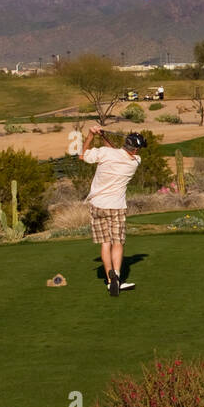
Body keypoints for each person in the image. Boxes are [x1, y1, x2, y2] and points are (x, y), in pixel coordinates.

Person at [80, 126, 146, 296]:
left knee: (105, 243)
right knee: (117, 242)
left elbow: (83, 155)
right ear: (136, 149)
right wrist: (103, 137)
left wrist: (91, 135)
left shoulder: (105, 153)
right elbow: (118, 153)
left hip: (97, 205)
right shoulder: (135, 161)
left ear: (125, 143)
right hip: (116, 206)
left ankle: (111, 282)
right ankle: (116, 275)